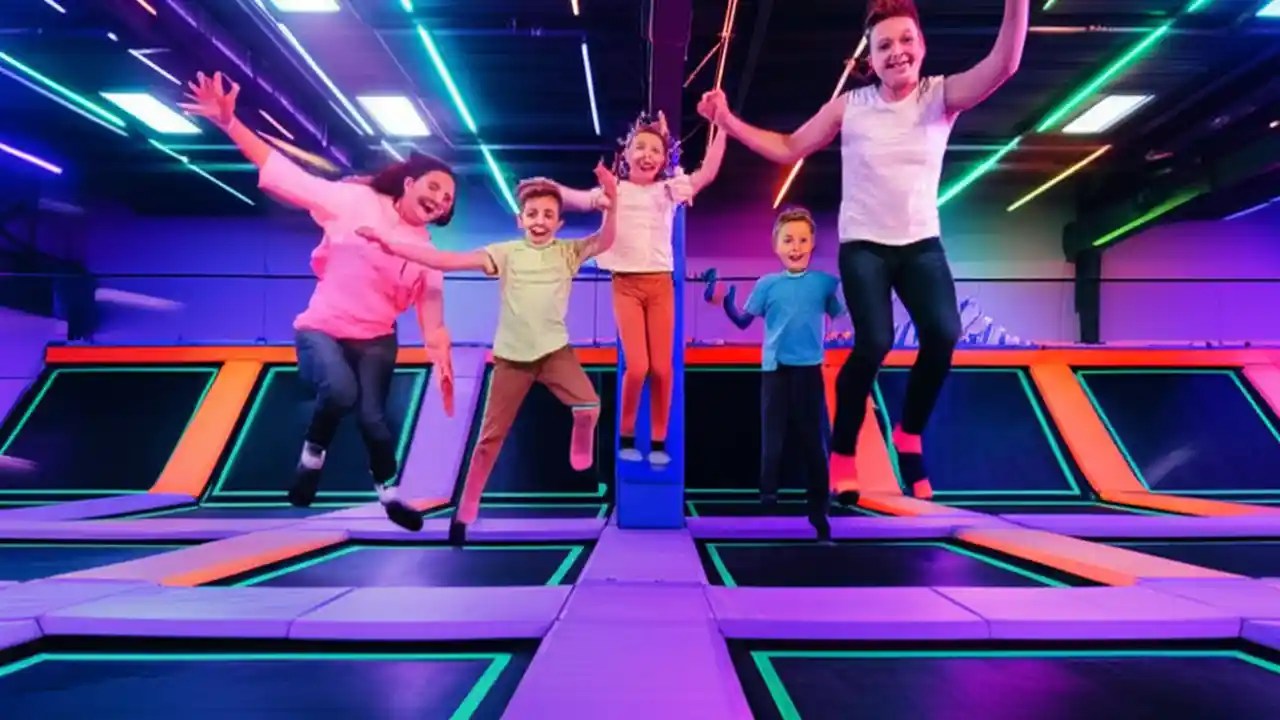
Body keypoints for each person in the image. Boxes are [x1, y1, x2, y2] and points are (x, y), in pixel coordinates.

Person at [698, 0, 1029, 501]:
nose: (897, 52)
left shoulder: (941, 96)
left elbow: (1004, 65)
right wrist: (728, 119)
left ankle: (909, 434)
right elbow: (789, 147)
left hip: (920, 243)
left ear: (922, 46)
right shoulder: (850, 107)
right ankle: (845, 450)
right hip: (864, 247)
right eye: (884, 46)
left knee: (943, 335)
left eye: (906, 41)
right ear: (870, 59)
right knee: (873, 342)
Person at [180, 71, 457, 532]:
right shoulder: (353, 200)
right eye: (433, 187)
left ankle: (390, 497)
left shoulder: (426, 251)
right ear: (408, 183)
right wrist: (231, 123)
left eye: (447, 199)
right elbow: (288, 175)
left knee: (374, 419)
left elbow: (432, 310)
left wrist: (440, 347)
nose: (439, 200)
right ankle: (312, 456)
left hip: (376, 337)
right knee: (341, 393)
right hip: (323, 327)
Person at [362, 163, 619, 544]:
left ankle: (581, 435)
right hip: (511, 358)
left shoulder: (568, 252)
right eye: (532, 214)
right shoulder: (506, 253)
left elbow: (607, 240)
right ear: (520, 220)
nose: (539, 221)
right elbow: (447, 260)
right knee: (488, 440)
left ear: (559, 224)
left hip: (555, 352)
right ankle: (465, 512)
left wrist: (612, 202)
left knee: (590, 407)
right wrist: (392, 244)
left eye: (548, 215)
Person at [536, 113, 726, 466]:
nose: (647, 154)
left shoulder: (668, 191)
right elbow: (578, 199)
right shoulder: (615, 191)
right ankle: (625, 433)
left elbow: (707, 173)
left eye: (655, 149)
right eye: (640, 147)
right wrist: (550, 187)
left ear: (663, 158)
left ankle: (657, 440)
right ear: (626, 155)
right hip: (625, 284)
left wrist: (724, 128)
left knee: (662, 369)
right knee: (637, 366)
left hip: (659, 285)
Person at [705, 207, 844, 541]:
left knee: (815, 442)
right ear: (777, 246)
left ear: (812, 244)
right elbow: (742, 321)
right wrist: (726, 301)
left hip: (809, 369)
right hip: (775, 370)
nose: (795, 247)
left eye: (802, 240)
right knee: (773, 436)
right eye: (788, 240)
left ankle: (819, 509)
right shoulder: (767, 285)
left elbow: (841, 315)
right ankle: (768, 495)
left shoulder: (825, 284)